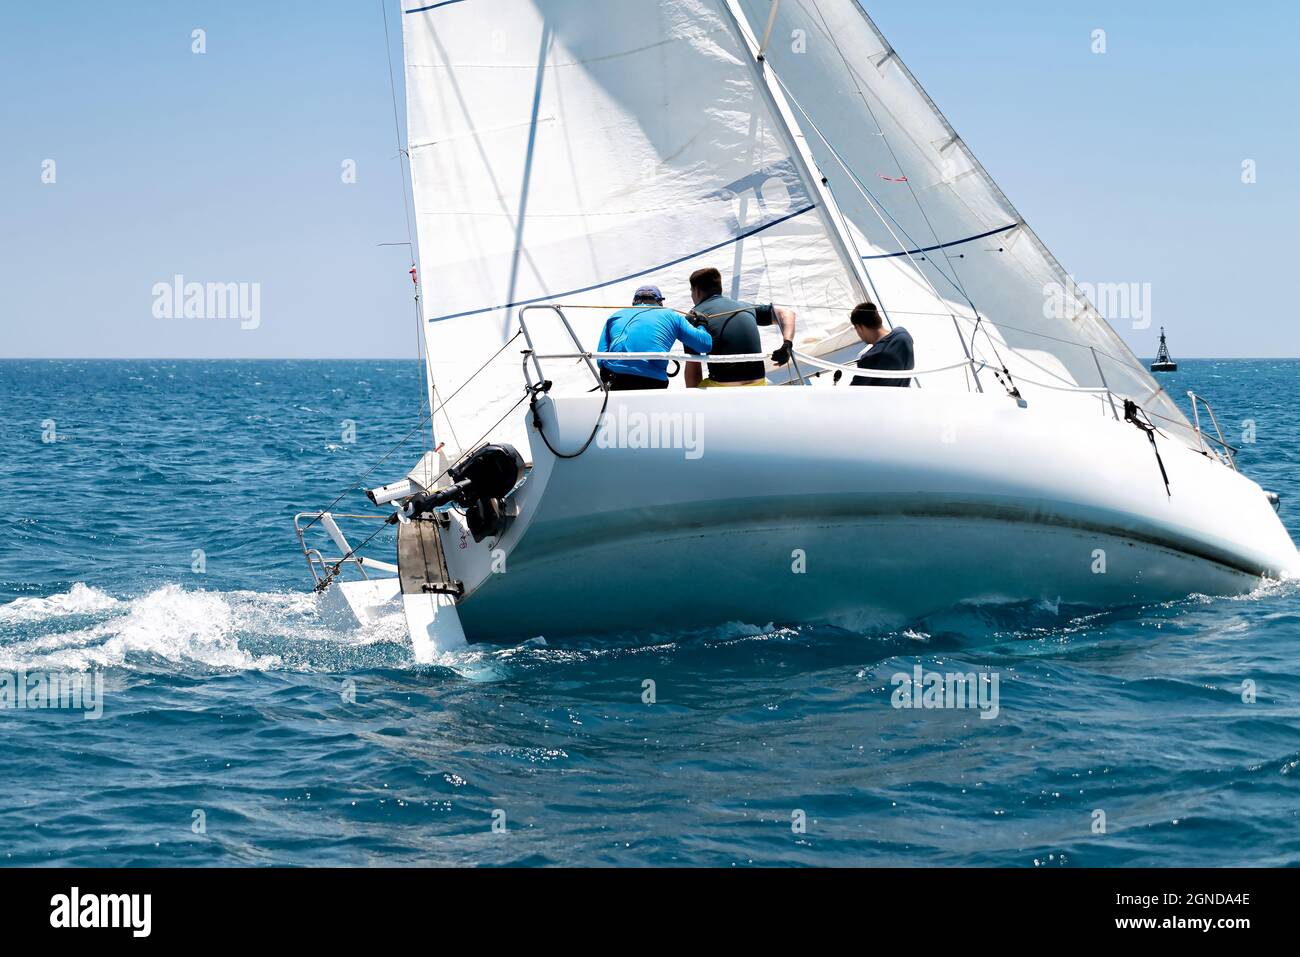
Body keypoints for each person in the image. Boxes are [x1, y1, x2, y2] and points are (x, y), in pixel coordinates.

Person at [682, 267, 798, 388]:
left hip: (722, 386)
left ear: (696, 291)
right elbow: (787, 313)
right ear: (719, 287)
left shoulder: (693, 316)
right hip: (757, 384)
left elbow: (693, 364)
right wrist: (787, 344)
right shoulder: (746, 307)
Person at [597, 285, 713, 391]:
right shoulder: (671, 315)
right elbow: (705, 345)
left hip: (615, 381)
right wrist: (701, 323)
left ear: (634, 302)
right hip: (652, 382)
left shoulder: (615, 316)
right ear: (660, 303)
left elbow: (600, 359)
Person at [848, 302, 914, 387]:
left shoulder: (870, 358)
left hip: (885, 400)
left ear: (860, 328)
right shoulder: (904, 335)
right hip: (904, 396)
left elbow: (853, 391)